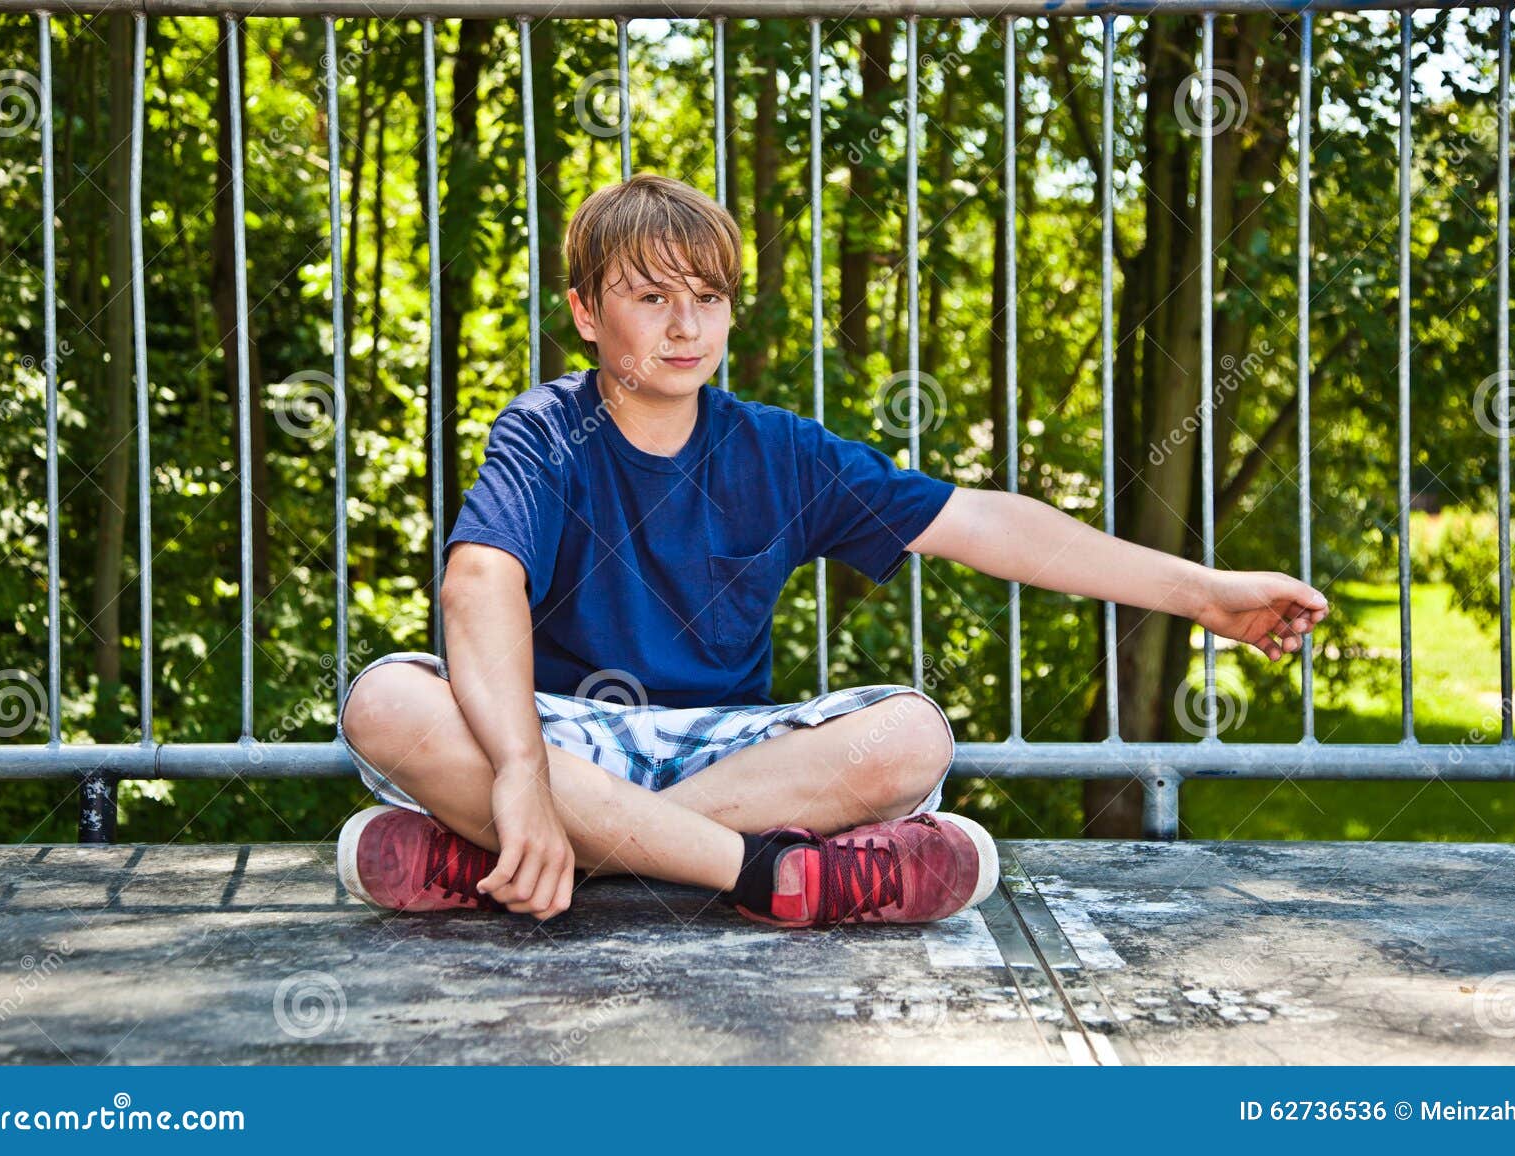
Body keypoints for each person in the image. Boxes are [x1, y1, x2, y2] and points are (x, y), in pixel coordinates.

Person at [334, 173, 1327, 929]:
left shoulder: (779, 451)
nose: (687, 326)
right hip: (561, 741)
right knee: (386, 702)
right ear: (587, 312)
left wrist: (1202, 592)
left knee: (911, 737)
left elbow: (986, 525)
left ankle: (534, 854)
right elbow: (478, 580)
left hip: (723, 749)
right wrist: (517, 766)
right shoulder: (546, 428)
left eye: (709, 298)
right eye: (650, 298)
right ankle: (756, 873)